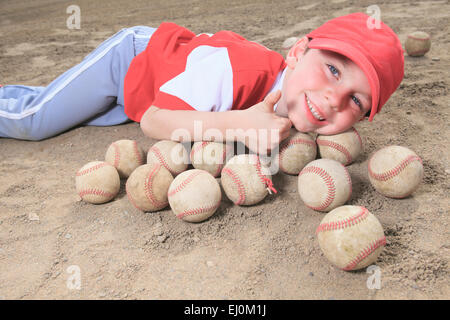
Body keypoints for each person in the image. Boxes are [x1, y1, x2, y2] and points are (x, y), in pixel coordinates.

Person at [0, 12, 404, 155]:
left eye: (357, 101)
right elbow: (154, 122)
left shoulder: (303, 100)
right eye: (333, 70)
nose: (334, 100)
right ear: (298, 52)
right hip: (131, 62)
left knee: (87, 118)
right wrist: (240, 125)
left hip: (165, 87)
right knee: (34, 120)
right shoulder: (236, 72)